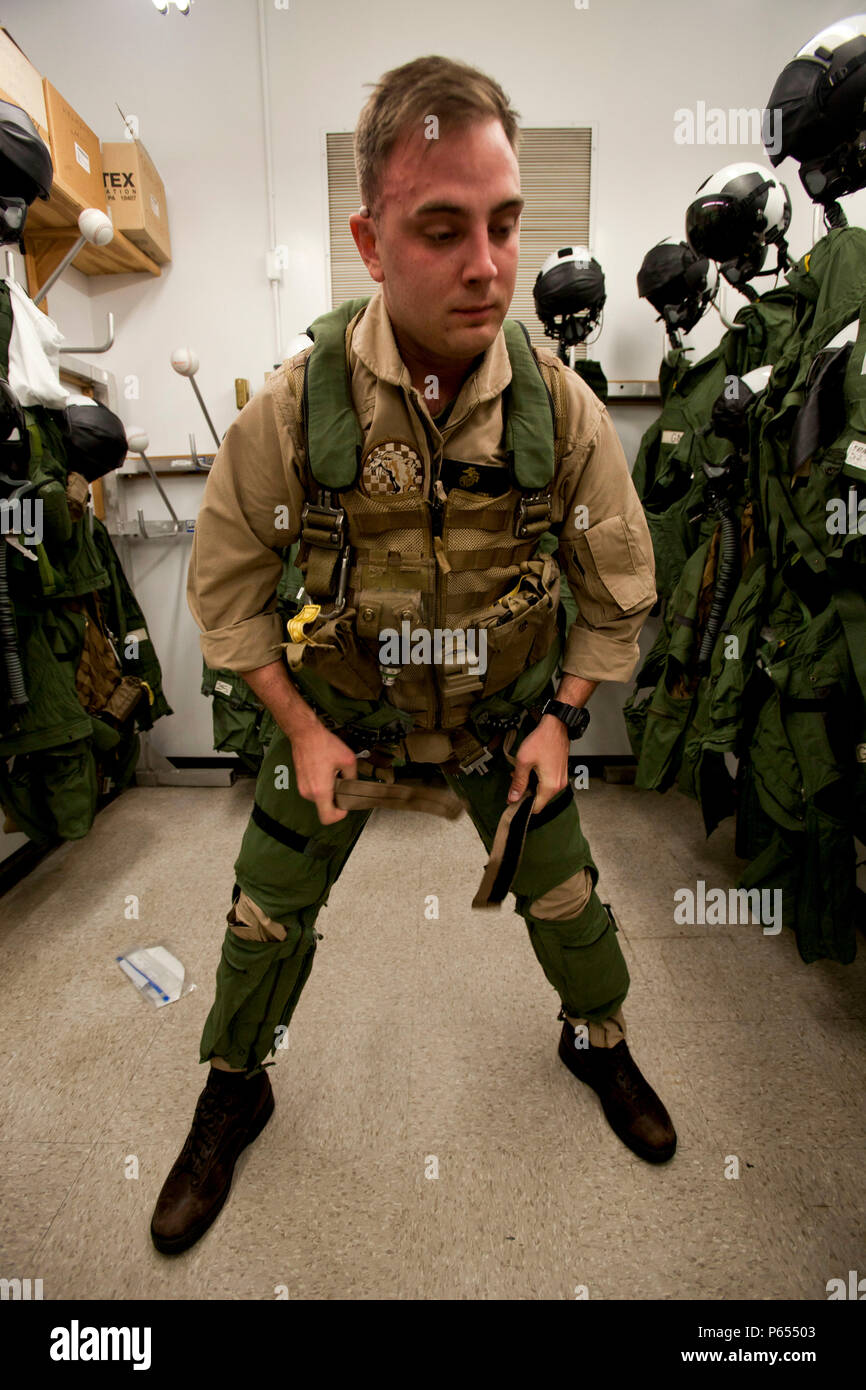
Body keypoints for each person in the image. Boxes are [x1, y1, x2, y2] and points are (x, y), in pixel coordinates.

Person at [150, 54, 676, 1257]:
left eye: (502, 224)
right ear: (370, 241)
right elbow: (227, 593)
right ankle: (238, 1079)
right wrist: (299, 727)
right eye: (440, 229)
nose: (487, 265)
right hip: (345, 714)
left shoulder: (561, 410)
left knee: (570, 902)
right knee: (262, 916)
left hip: (505, 718)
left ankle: (594, 1039)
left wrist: (563, 716)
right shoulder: (296, 410)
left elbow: (617, 590)